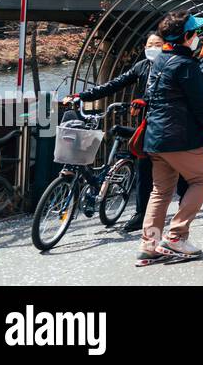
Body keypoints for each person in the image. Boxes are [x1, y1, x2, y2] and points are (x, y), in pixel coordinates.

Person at [139, 12, 203, 265]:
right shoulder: (185, 65)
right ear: (187, 36)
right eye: (195, 33)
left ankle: (149, 245)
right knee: (202, 178)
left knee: (160, 191)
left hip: (156, 138)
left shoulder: (160, 61)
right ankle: (176, 236)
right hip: (179, 136)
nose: (197, 36)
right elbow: (199, 103)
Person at [68, 33, 162, 232]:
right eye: (150, 44)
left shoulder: (170, 65)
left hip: (161, 124)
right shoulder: (141, 66)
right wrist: (82, 96)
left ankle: (143, 214)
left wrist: (146, 100)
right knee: (137, 157)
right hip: (144, 122)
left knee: (150, 170)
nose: (153, 47)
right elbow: (114, 84)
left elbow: (164, 91)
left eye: (158, 44)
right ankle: (140, 209)